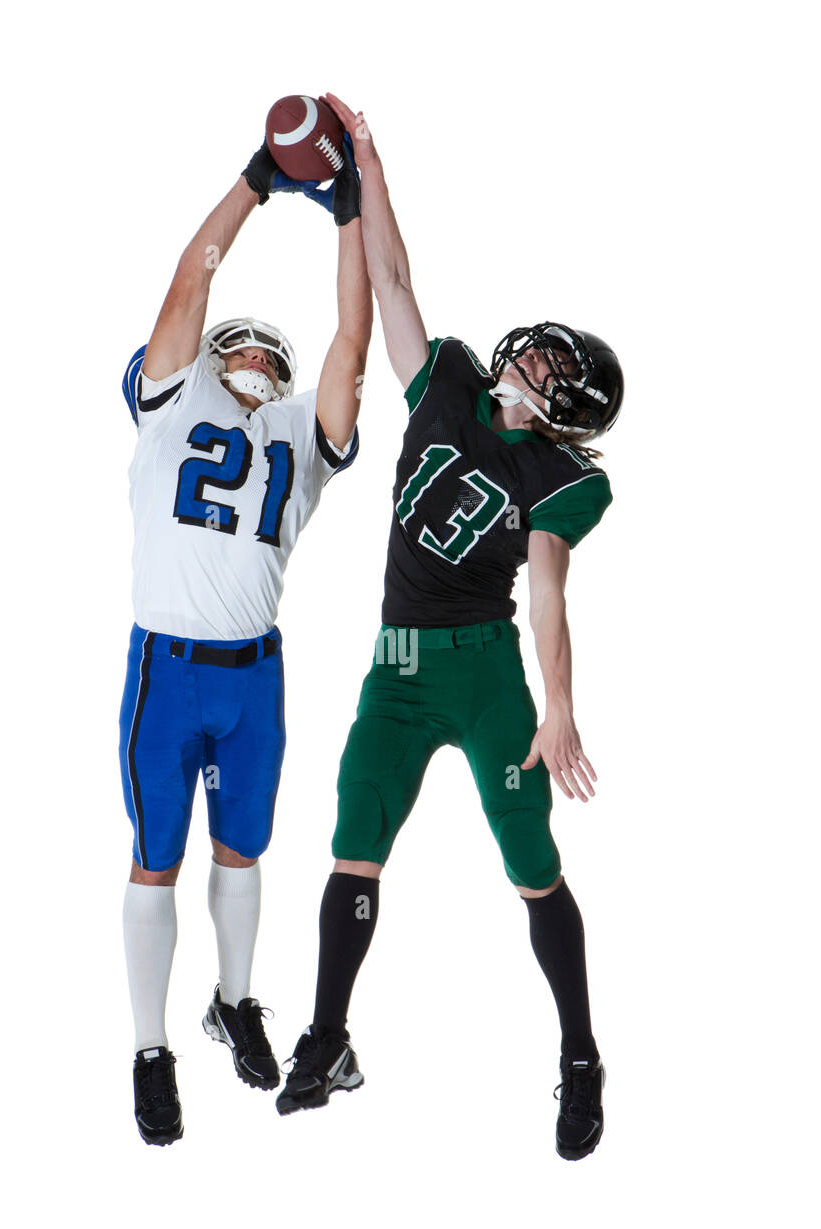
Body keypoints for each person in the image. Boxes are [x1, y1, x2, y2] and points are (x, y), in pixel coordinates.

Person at [276, 96, 623, 1162]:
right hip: (394, 665)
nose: (532, 357)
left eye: (551, 366)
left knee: (529, 858)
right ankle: (328, 1036)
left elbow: (548, 592)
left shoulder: (554, 475)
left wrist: (558, 707)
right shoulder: (447, 386)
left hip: (482, 675)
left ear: (565, 408)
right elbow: (390, 282)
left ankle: (579, 1055)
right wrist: (369, 165)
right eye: (539, 350)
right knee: (353, 843)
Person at [119, 121, 372, 1145]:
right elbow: (191, 282)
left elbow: (350, 345)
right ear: (214, 356)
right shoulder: (171, 399)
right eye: (245, 344)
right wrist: (257, 182)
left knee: (242, 850)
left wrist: (348, 217)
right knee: (155, 857)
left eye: (276, 352)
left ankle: (232, 1003)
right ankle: (150, 1048)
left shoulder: (298, 437)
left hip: (253, 675)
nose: (261, 356)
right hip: (167, 666)